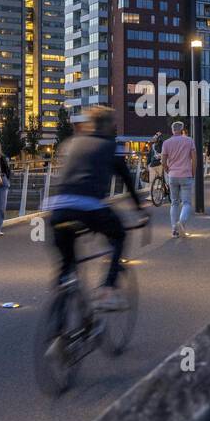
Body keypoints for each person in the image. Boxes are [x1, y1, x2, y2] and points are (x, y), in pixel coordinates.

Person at [46, 106, 143, 295]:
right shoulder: (112, 147)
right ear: (109, 126)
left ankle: (65, 283)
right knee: (119, 235)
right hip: (88, 206)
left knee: (67, 262)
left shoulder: (71, 143)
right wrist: (140, 209)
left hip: (58, 207)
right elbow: (128, 181)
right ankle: (108, 288)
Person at [160, 120, 196, 237]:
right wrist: (193, 173)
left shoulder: (166, 143)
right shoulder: (189, 141)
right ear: (182, 129)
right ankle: (181, 222)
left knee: (174, 203)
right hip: (186, 174)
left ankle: (174, 230)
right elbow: (194, 159)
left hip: (173, 175)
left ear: (172, 130)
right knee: (186, 203)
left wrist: (168, 170)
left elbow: (163, 161)